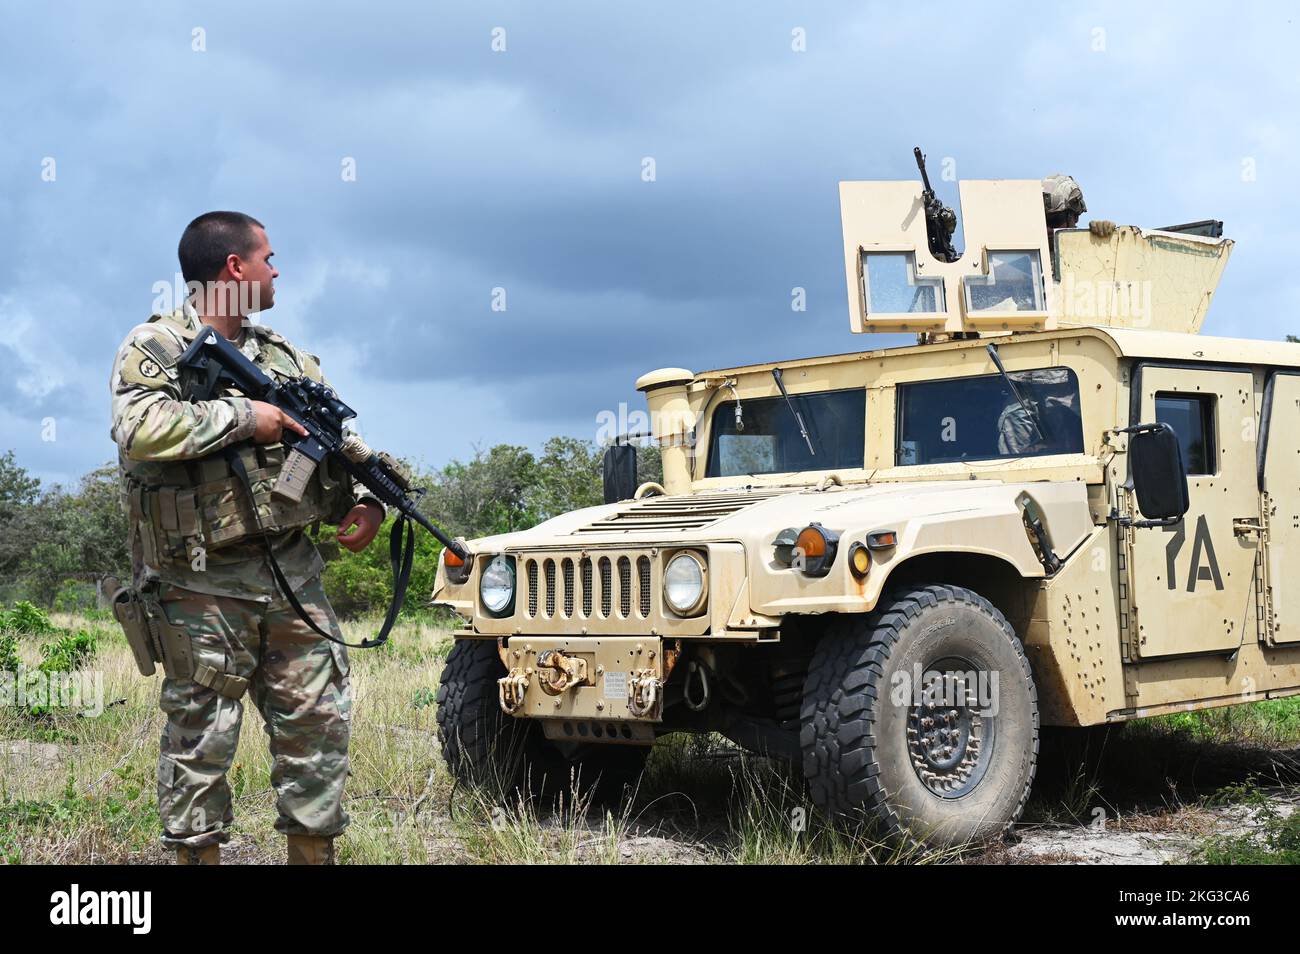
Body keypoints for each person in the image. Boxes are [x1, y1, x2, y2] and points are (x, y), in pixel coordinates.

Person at [109, 212, 384, 865]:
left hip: (292, 576)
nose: (277, 269)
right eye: (268, 258)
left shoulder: (285, 355)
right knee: (200, 744)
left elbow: (339, 440)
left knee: (319, 730)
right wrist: (245, 417)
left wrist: (370, 498)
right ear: (235, 268)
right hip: (197, 583)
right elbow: (139, 428)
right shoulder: (155, 345)